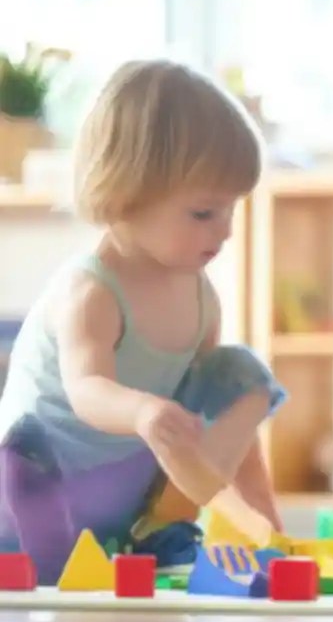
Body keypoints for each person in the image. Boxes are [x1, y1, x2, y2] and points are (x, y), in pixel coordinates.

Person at [0, 60, 287, 584]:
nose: (224, 231)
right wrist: (141, 410)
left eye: (231, 211)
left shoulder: (201, 296)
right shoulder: (91, 289)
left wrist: (261, 514)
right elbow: (87, 389)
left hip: (128, 477)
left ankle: (160, 524)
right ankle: (50, 560)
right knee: (25, 465)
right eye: (204, 213)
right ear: (124, 195)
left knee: (241, 373)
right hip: (47, 472)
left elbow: (217, 411)